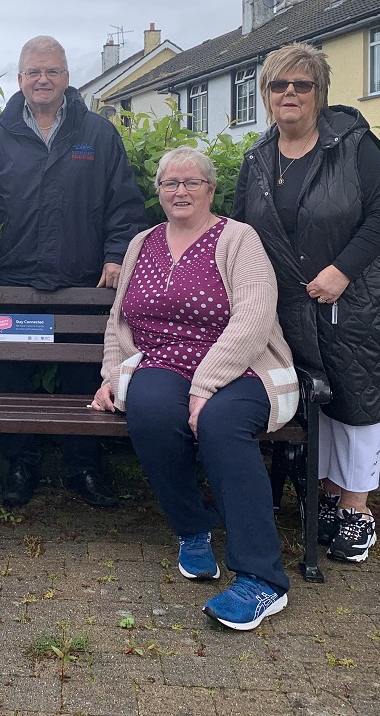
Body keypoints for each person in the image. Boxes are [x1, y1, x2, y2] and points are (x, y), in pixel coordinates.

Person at [92, 145, 300, 631]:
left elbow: (253, 318)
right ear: (159, 192)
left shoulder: (239, 239)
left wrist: (205, 386)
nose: (180, 191)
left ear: (210, 189)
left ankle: (261, 580)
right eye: (170, 183)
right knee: (147, 408)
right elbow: (117, 320)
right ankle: (193, 528)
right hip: (162, 363)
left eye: (192, 182)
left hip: (241, 369)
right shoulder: (141, 242)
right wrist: (111, 377)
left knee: (222, 423)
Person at [232, 42, 380, 565]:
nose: (289, 93)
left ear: (319, 94)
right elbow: (241, 230)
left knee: (358, 400)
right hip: (293, 306)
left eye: (301, 85)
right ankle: (329, 495)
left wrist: (342, 271)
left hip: (357, 300)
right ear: (266, 96)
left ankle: (358, 509)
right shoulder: (257, 158)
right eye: (278, 85)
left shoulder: (354, 145)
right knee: (319, 401)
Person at [0, 35, 145, 509]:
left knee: (84, 377)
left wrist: (117, 254)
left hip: (83, 283)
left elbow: (123, 205)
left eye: (52, 71)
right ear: (20, 79)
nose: (43, 79)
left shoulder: (97, 134)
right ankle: (20, 464)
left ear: (66, 77)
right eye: (34, 72)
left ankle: (84, 467)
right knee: (12, 377)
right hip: (14, 282)